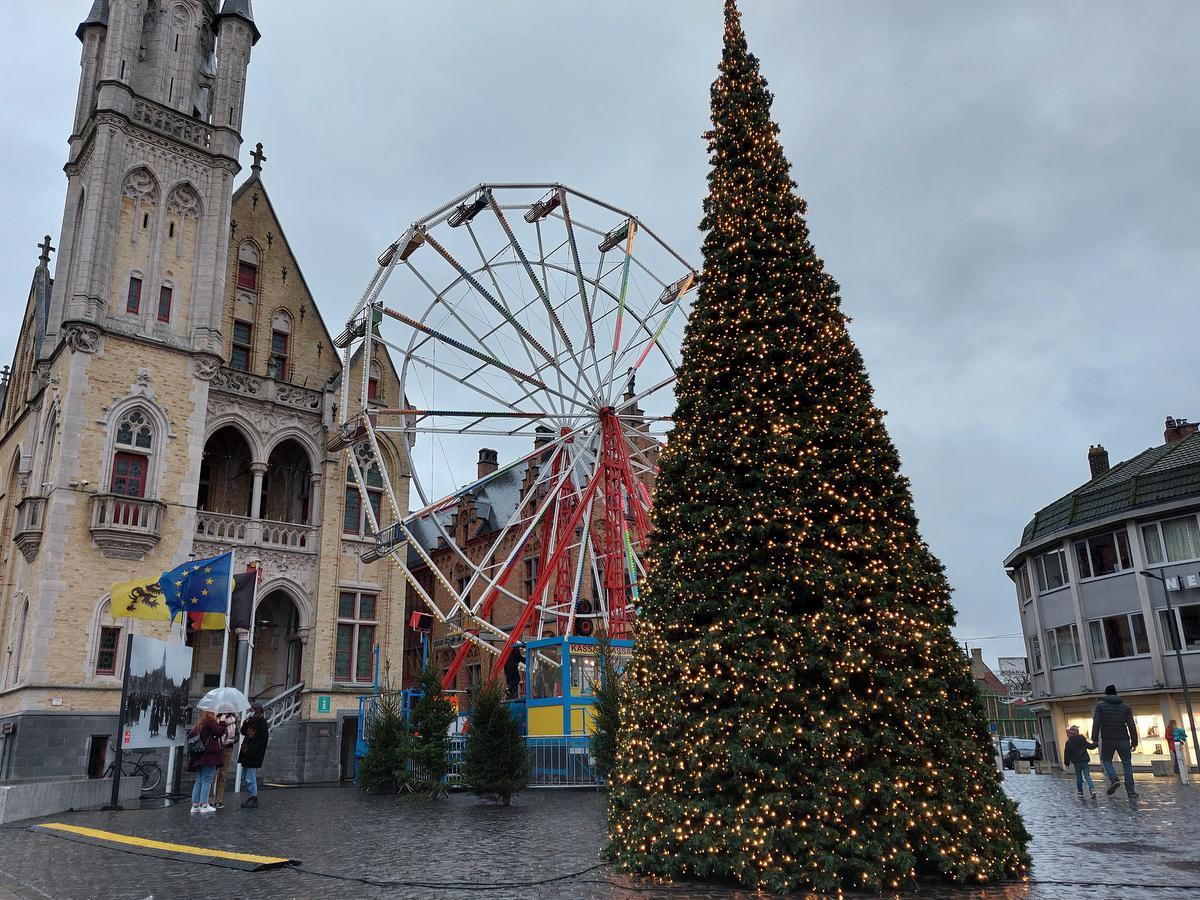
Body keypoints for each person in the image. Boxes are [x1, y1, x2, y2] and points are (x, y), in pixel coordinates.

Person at [1091, 684, 1139, 798]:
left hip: (1108, 738)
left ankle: (1114, 779)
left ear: (1106, 694)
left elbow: (1096, 722)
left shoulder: (1100, 706)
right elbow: (1131, 725)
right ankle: (1131, 791)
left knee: (1106, 759)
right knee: (1127, 764)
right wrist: (1134, 742)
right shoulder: (1126, 707)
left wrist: (1094, 739)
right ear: (1116, 693)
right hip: (1123, 738)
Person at [186, 709, 225, 814]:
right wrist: (222, 722)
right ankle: (204, 804)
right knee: (207, 780)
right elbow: (219, 732)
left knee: (199, 780)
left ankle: (195, 805)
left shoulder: (199, 724)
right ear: (210, 712)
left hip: (198, 756)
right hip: (209, 756)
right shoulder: (210, 722)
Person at [238, 704, 270, 809]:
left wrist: (254, 750)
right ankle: (252, 795)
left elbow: (262, 739)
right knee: (245, 775)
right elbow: (243, 732)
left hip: (253, 753)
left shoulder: (262, 722)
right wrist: (246, 722)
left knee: (250, 776)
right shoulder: (251, 721)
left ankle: (254, 796)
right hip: (246, 751)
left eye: (253, 710)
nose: (252, 712)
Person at [209, 711, 239, 809]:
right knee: (212, 774)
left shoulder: (234, 720)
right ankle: (210, 799)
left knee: (223, 774)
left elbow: (237, 735)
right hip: (216, 748)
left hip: (228, 749)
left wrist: (232, 740)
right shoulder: (216, 719)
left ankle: (219, 799)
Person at [1063, 725, 1097, 798]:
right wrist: (1096, 744)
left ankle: (1080, 792)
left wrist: (1067, 763)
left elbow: (1067, 753)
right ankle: (1092, 790)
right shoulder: (1082, 739)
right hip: (1084, 761)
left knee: (1078, 776)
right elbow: (1090, 746)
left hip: (1076, 762)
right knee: (1087, 776)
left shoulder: (1069, 742)